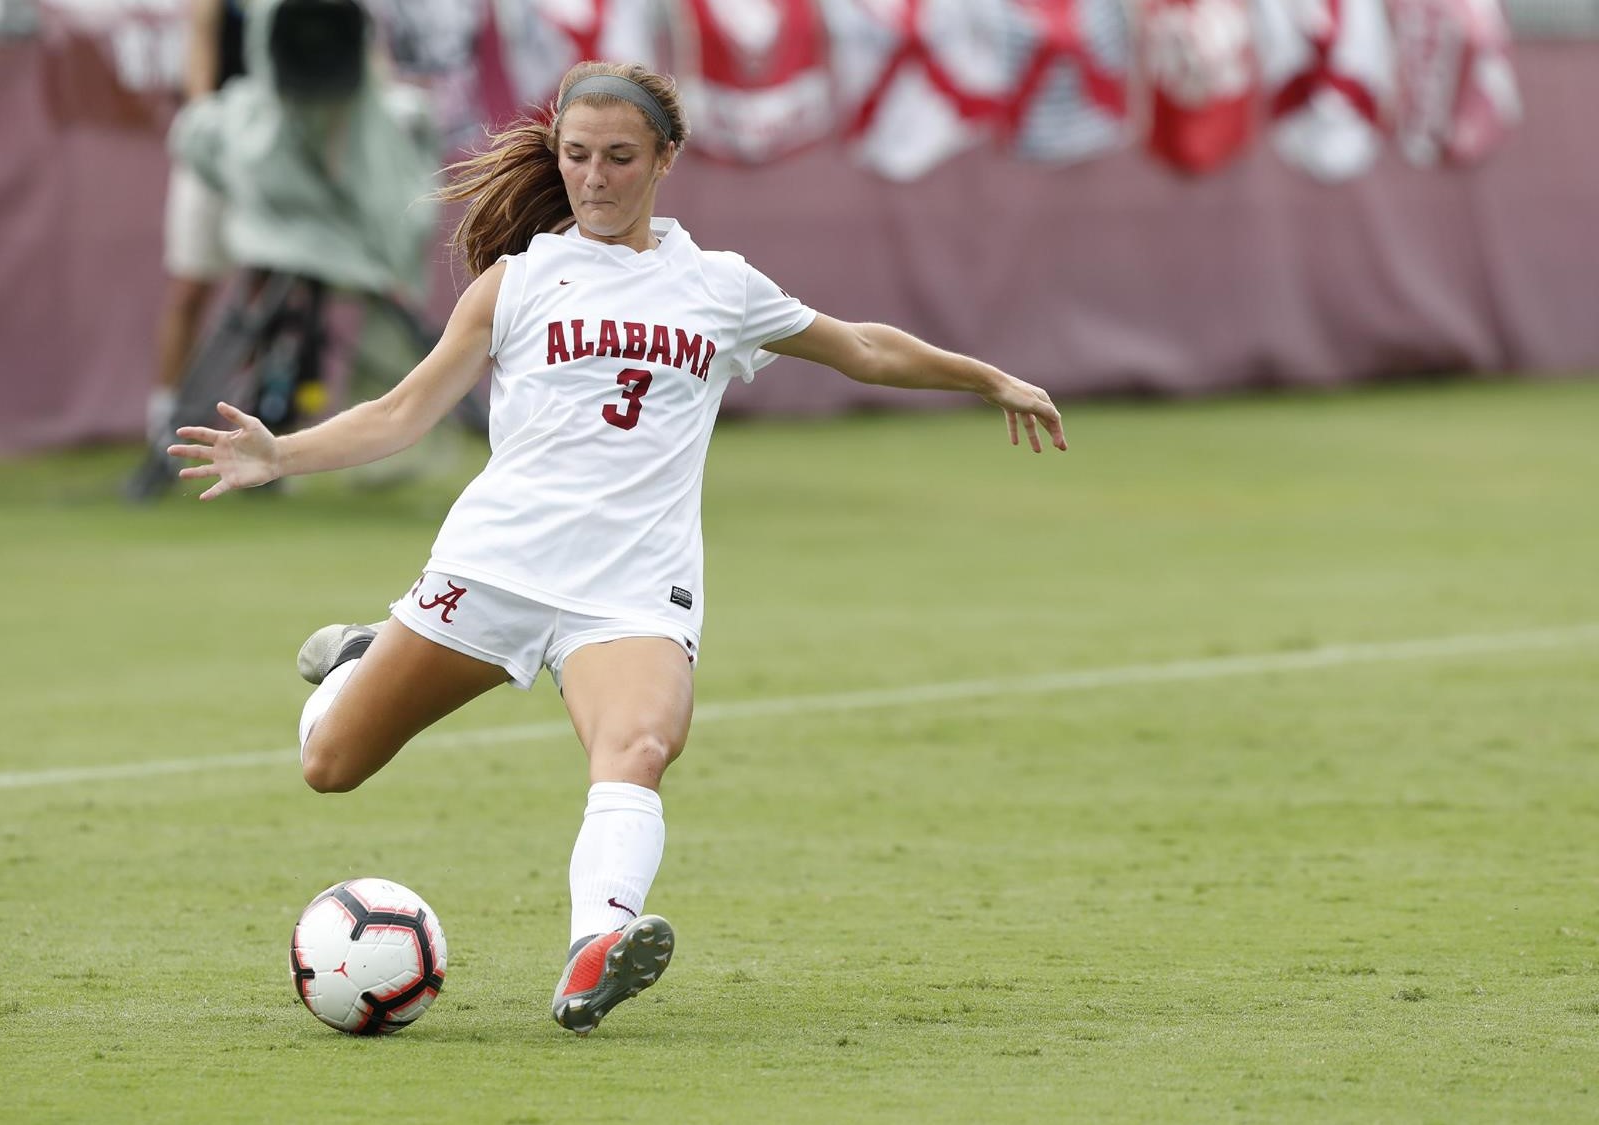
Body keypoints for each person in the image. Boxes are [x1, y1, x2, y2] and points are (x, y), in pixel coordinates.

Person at [168, 61, 1068, 1036]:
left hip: (632, 593)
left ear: (665, 161)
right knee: (329, 765)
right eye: (575, 156)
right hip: (494, 570)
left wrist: (987, 380)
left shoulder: (717, 287)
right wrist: (279, 454)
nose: (593, 178)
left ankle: (593, 949)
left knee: (636, 747)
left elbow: (861, 347)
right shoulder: (516, 283)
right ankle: (357, 661)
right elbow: (400, 414)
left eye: (618, 158)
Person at [148, 0, 249, 442]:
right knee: (189, 289)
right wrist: (211, 129)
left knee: (266, 302)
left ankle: (255, 427)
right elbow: (200, 63)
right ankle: (165, 422)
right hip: (212, 151)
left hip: (277, 163)